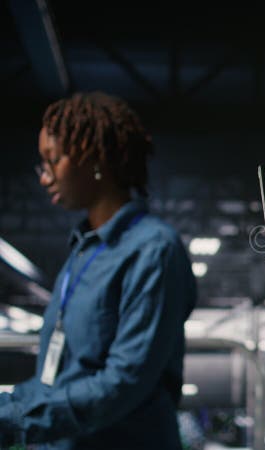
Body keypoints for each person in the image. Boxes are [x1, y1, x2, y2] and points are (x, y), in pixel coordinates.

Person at [0, 92, 197, 449]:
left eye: (53, 160)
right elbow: (58, 380)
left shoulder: (154, 249)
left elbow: (122, 382)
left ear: (94, 159)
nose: (44, 177)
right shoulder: (83, 249)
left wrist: (14, 419)